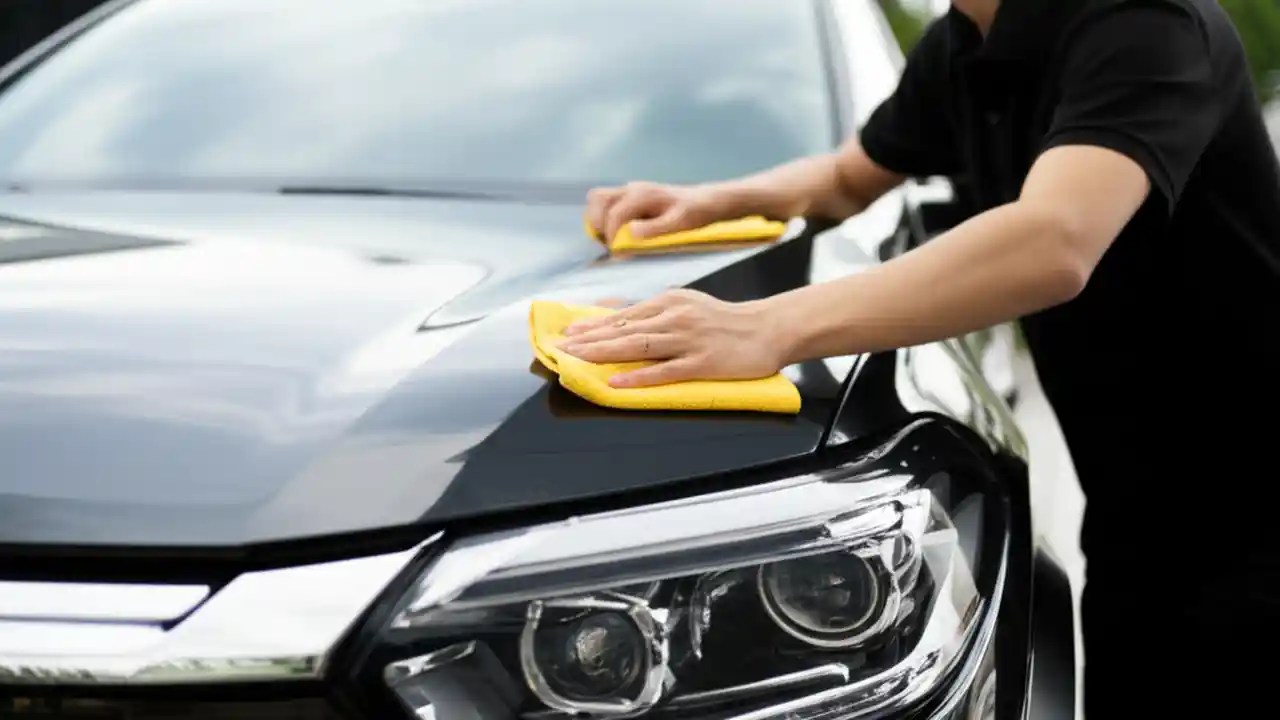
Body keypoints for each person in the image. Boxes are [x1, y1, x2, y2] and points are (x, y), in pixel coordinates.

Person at [561, 0, 1280, 714]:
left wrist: (763, 328)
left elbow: (1054, 241)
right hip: (1141, 515)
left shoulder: (1148, 23)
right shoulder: (962, 47)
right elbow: (849, 179)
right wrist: (709, 201)